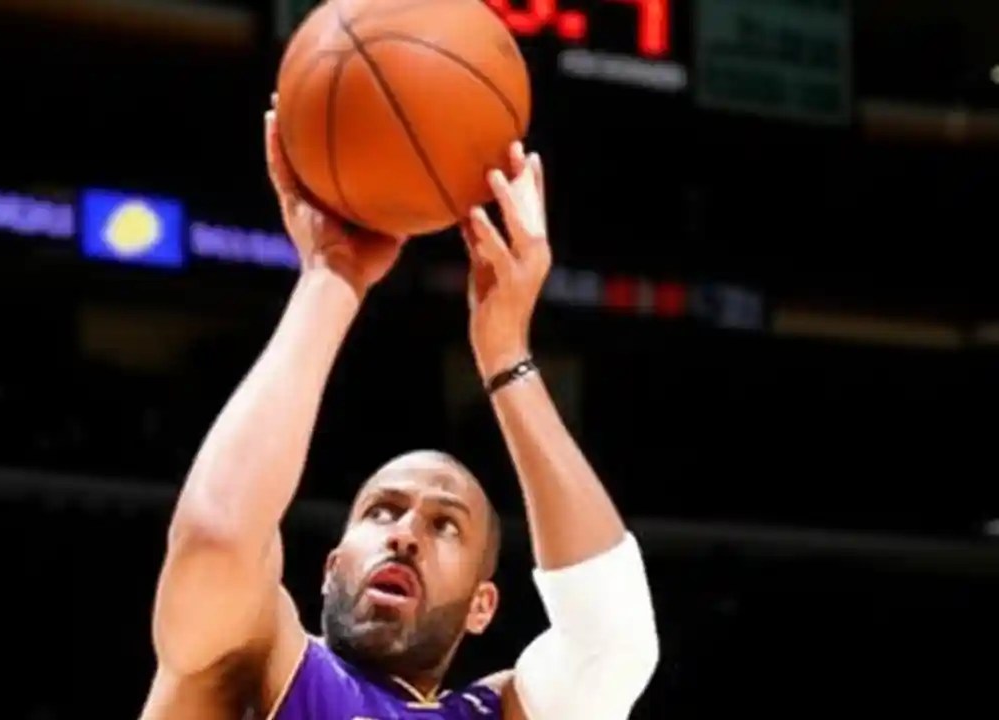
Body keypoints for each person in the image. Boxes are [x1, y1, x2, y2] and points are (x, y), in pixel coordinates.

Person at [139, 99, 659, 720]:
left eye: (445, 526)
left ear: (481, 606)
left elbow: (612, 642)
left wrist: (506, 353)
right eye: (383, 511)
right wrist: (332, 277)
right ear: (331, 568)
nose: (405, 535)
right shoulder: (262, 666)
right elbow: (216, 538)